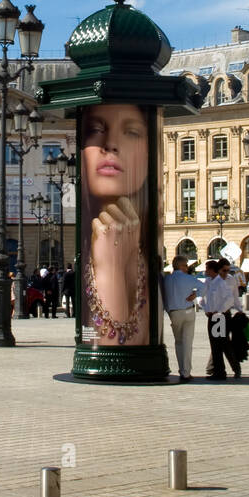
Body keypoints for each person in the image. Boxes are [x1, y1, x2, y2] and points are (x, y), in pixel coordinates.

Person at [81, 104, 150, 347]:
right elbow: (115, 341)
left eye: (131, 132)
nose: (110, 144)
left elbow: (120, 343)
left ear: (149, 155)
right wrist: (110, 268)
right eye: (95, 129)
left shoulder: (142, 252)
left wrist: (113, 268)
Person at [197, 260, 242, 379]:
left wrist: (220, 311)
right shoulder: (208, 281)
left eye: (207, 269)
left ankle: (234, 368)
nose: (205, 271)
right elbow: (201, 296)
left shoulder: (221, 283)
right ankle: (219, 371)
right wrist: (206, 309)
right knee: (215, 344)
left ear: (212, 270)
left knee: (224, 343)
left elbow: (230, 299)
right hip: (212, 316)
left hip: (220, 317)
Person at [163, 255, 202, 381]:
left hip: (174, 313)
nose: (187, 268)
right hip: (188, 311)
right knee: (187, 343)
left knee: (178, 342)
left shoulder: (167, 279)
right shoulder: (188, 278)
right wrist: (195, 294)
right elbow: (204, 287)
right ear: (181, 266)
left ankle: (181, 369)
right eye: (186, 265)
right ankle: (186, 372)